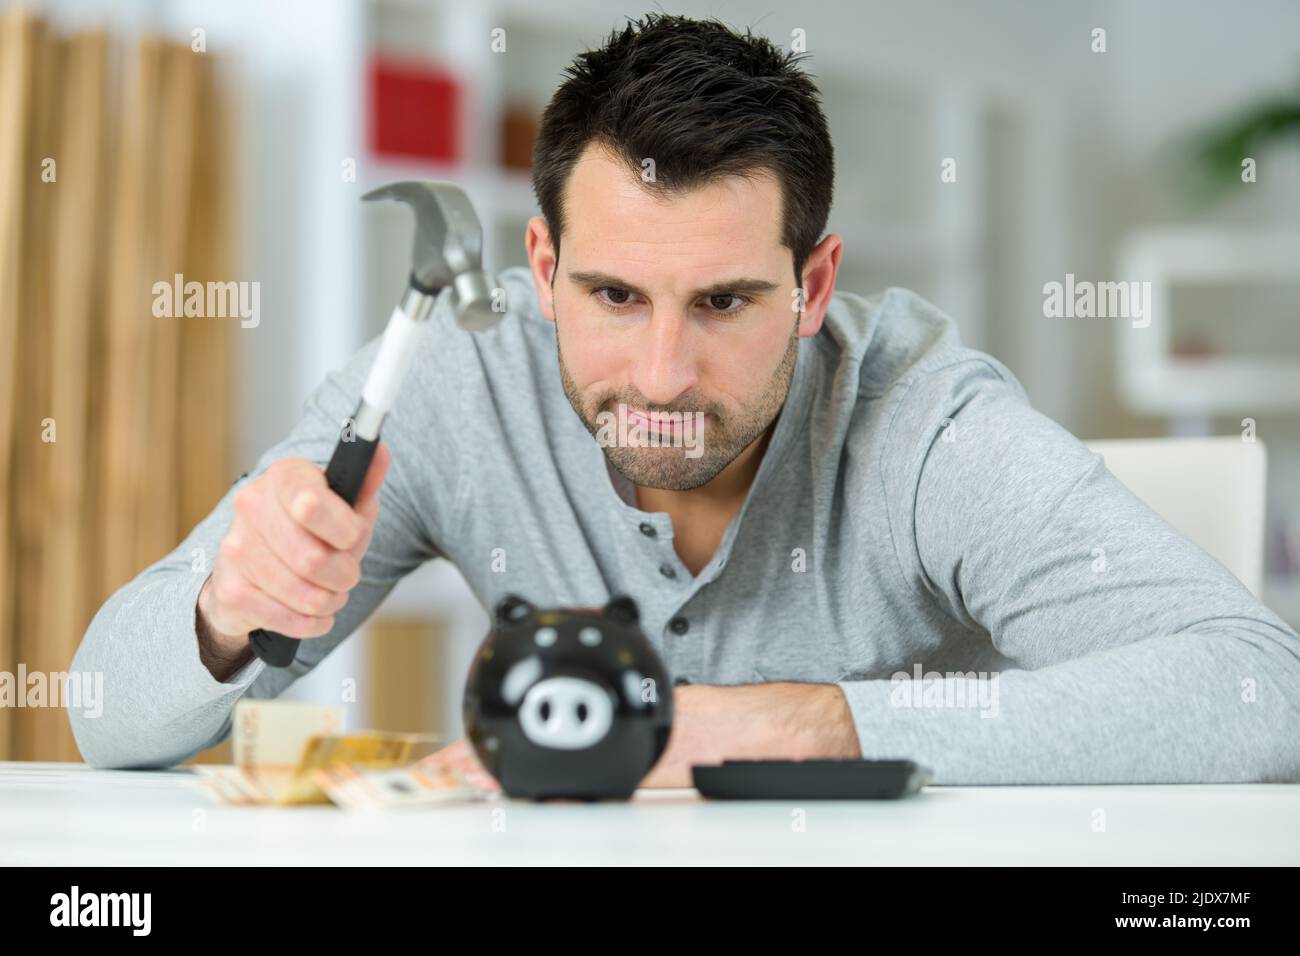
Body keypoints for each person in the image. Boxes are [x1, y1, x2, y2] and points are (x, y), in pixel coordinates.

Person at [70, 13, 1300, 786]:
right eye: (611, 296)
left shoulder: (926, 425)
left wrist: (798, 725)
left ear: (814, 283)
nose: (660, 375)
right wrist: (224, 619)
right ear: (541, 269)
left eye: (721, 303)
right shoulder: (450, 379)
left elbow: (1256, 687)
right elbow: (98, 720)